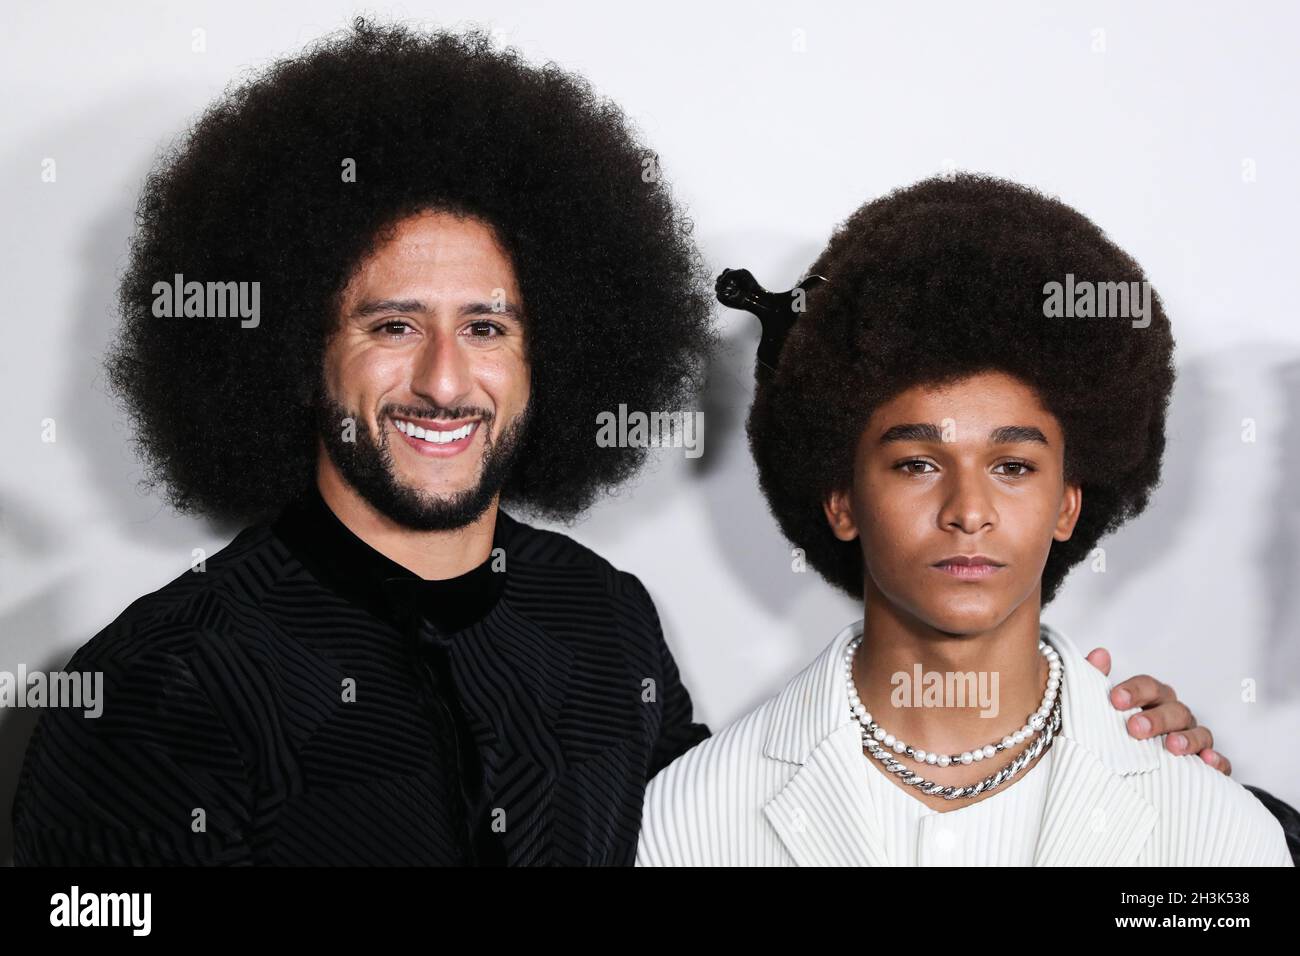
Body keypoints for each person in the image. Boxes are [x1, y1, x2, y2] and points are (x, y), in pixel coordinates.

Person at [10, 20, 1226, 866]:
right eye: (392, 325)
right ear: (296, 347)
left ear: (554, 349)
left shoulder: (604, 625)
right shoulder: (148, 693)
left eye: (487, 325)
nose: (445, 378)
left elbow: (745, 822)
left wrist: (1120, 756)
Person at [636, 173, 1294, 866]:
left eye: (1013, 467)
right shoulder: (693, 821)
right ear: (843, 502)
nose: (969, 512)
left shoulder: (1213, 832)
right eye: (917, 464)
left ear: (1069, 503)